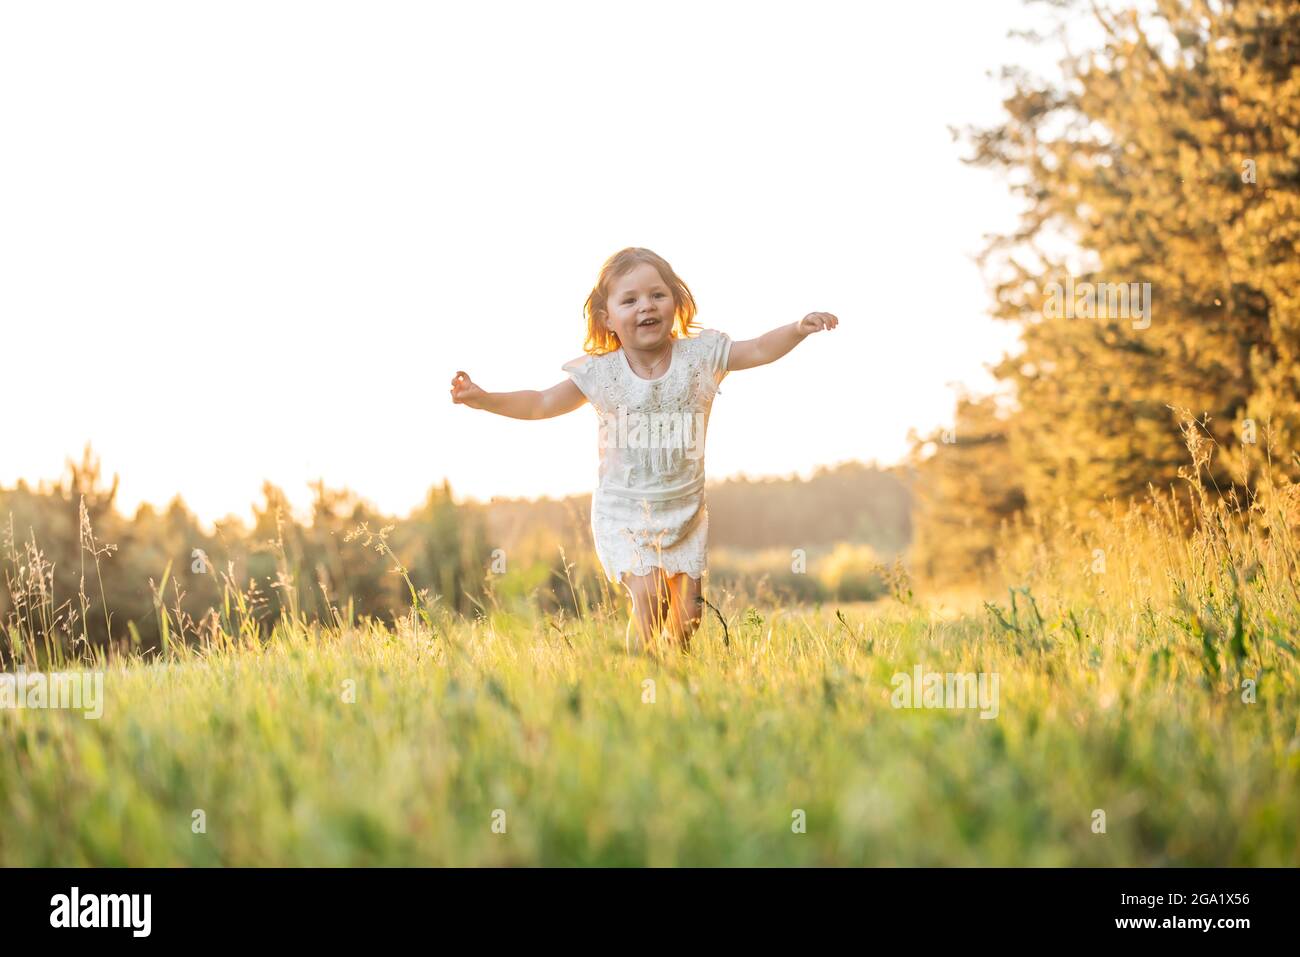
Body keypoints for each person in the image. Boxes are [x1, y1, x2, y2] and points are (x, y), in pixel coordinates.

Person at [450, 246, 837, 654]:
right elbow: (541, 403)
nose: (645, 307)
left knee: (688, 618)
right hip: (625, 512)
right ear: (608, 318)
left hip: (684, 511)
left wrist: (797, 328)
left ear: (676, 300)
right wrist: (485, 398)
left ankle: (670, 675)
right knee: (651, 596)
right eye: (629, 300)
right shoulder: (602, 373)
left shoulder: (700, 357)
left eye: (657, 295)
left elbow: (757, 348)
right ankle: (635, 675)